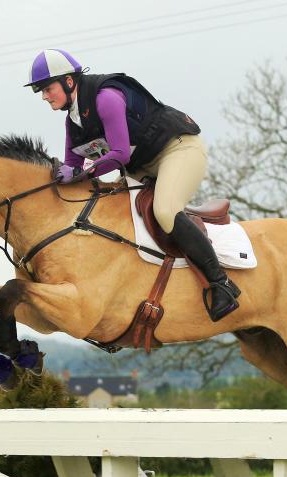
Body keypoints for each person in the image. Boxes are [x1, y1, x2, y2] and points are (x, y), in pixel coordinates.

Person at [25, 48, 240, 322]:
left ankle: (221, 284)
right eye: (41, 91)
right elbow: (72, 166)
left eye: (47, 88)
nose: (44, 96)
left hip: (178, 151)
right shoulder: (73, 122)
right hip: (140, 167)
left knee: (164, 211)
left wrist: (82, 173)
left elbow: (120, 154)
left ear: (69, 82)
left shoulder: (106, 98)